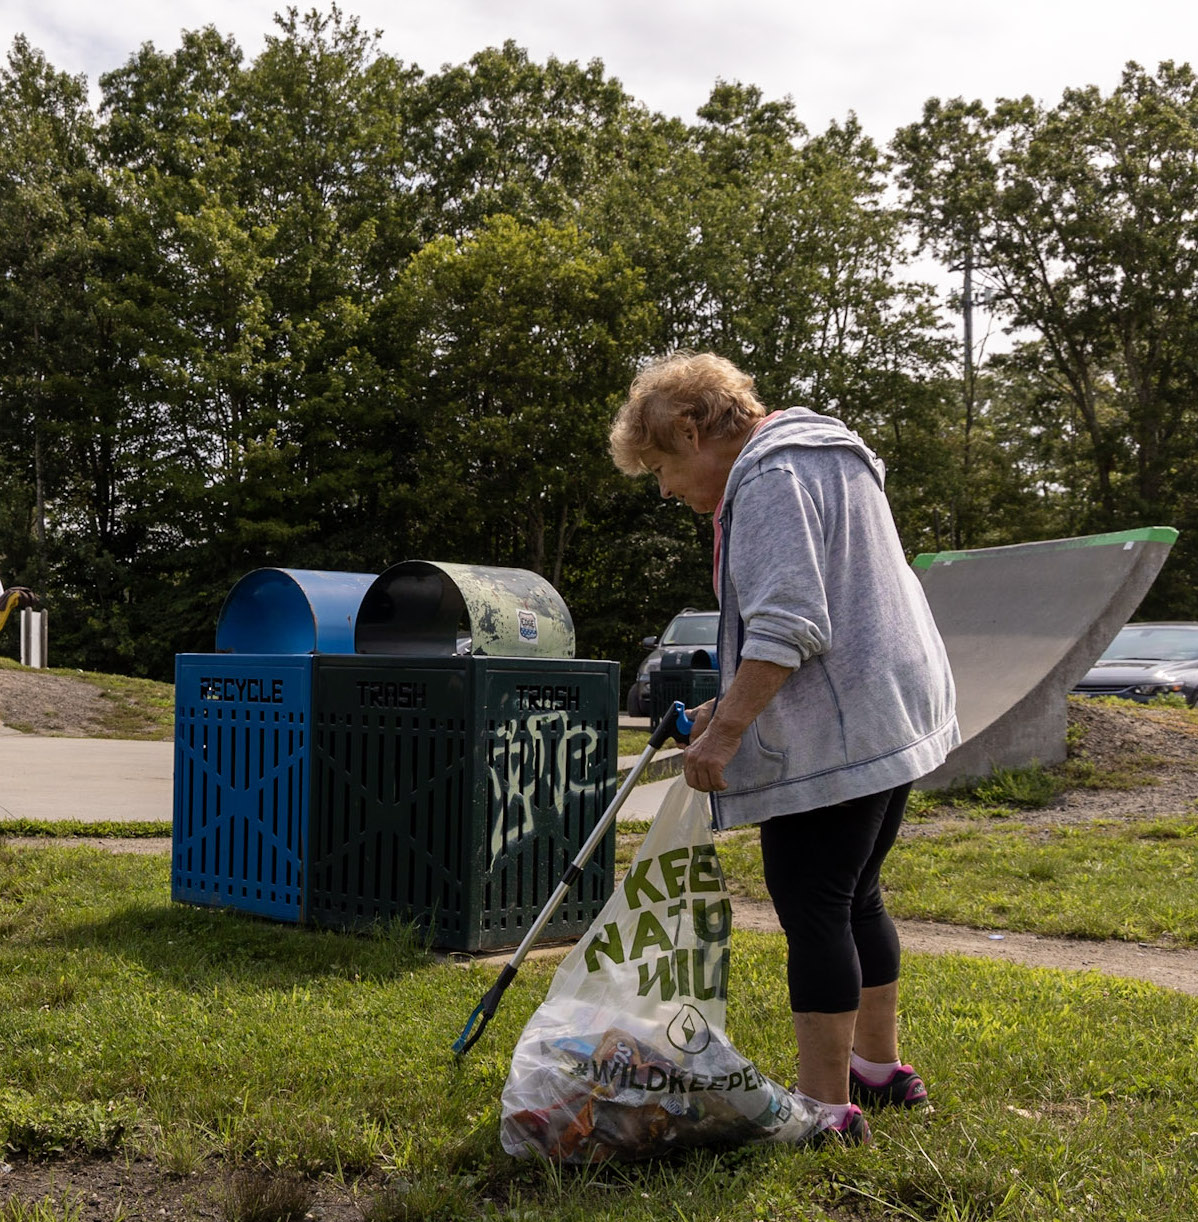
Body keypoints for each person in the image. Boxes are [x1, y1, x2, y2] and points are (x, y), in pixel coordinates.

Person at [609, 351, 959, 1146]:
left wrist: (728, 730)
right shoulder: (827, 452)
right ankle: (878, 1069)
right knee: (854, 895)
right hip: (891, 709)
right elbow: (822, 604)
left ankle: (824, 1109)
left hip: (838, 733)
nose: (666, 489)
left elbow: (792, 622)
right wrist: (725, 700)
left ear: (696, 431)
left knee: (813, 907)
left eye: (663, 466)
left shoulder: (765, 478)